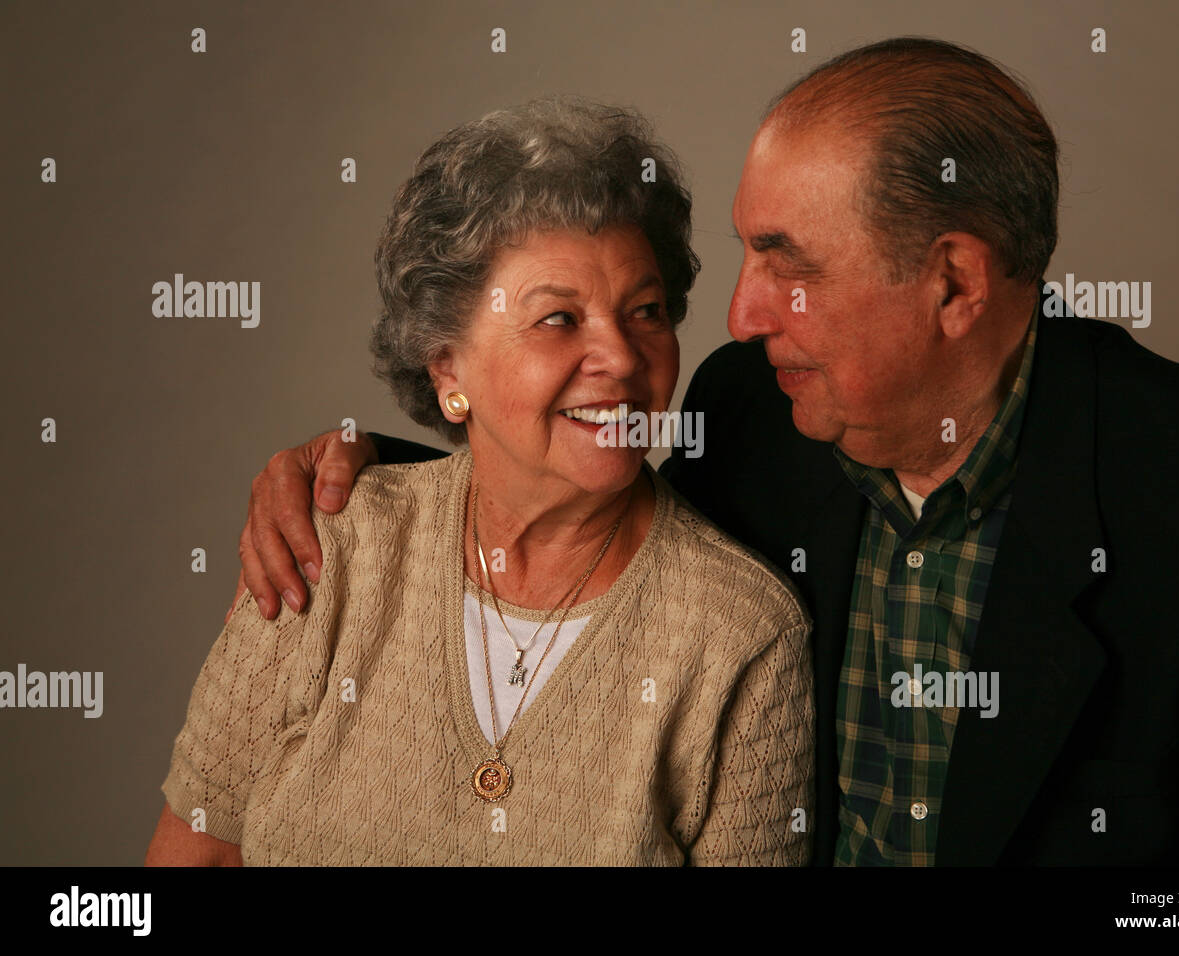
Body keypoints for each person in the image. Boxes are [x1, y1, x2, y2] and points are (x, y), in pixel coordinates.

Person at [232, 39, 1179, 866]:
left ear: (955, 284)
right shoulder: (750, 408)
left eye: (789, 265)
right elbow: (587, 513)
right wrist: (353, 468)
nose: (737, 314)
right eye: (743, 253)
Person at [146, 97, 814, 866]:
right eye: (559, 319)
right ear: (447, 368)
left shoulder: (741, 633)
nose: (624, 359)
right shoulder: (330, 547)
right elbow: (193, 859)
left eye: (647, 311)